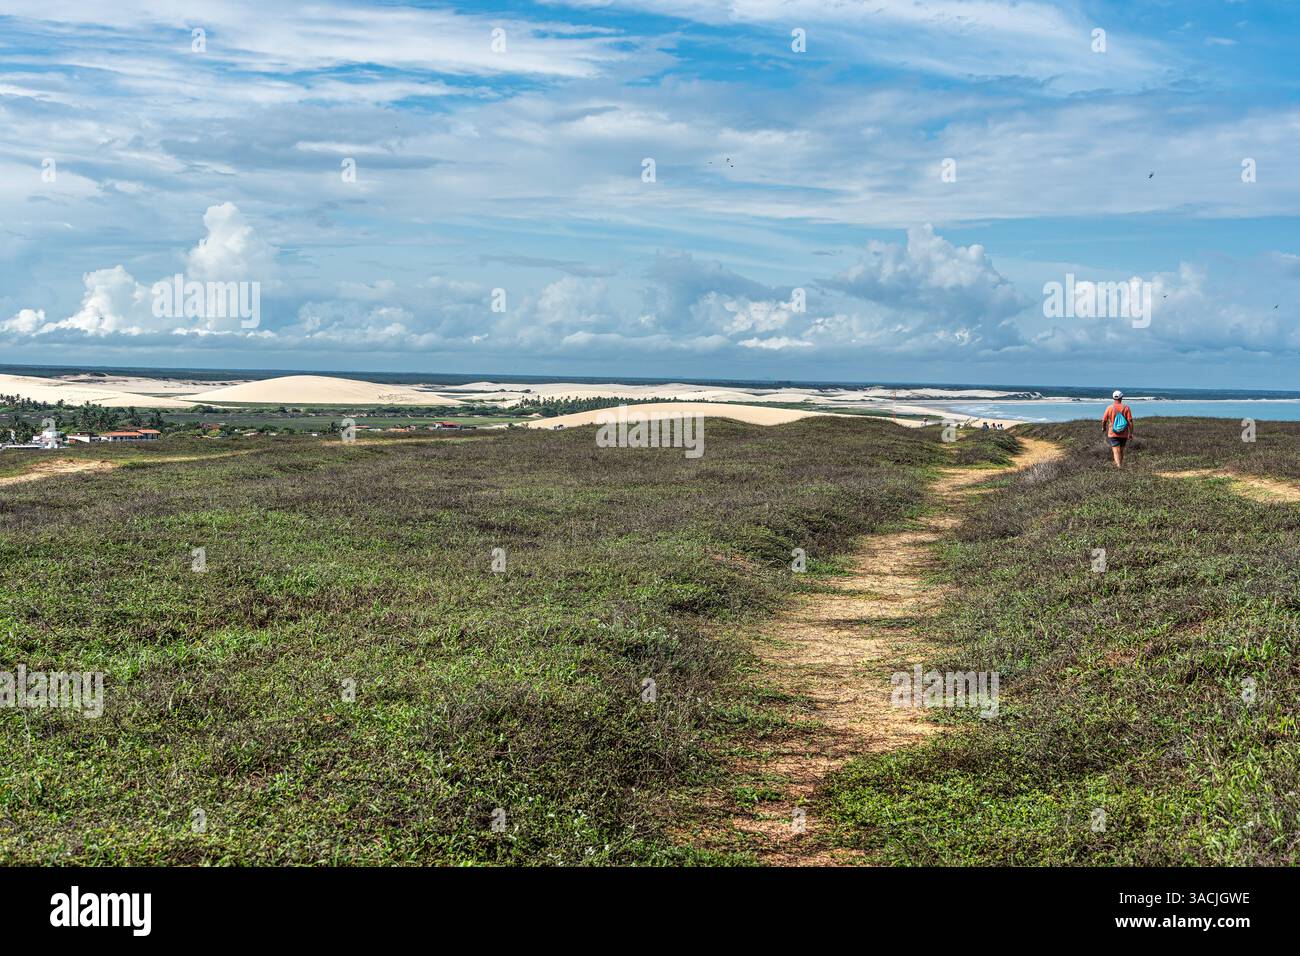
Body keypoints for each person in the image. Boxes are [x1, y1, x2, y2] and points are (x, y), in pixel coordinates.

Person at [1102, 389, 1134, 468]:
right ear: (1121, 397)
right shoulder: (1126, 408)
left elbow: (1104, 420)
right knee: (1121, 450)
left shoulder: (1109, 408)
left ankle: (1118, 466)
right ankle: (1120, 464)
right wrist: (1131, 433)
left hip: (1113, 433)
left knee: (1116, 450)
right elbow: (1130, 421)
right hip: (1124, 433)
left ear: (1113, 398)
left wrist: (1103, 428)